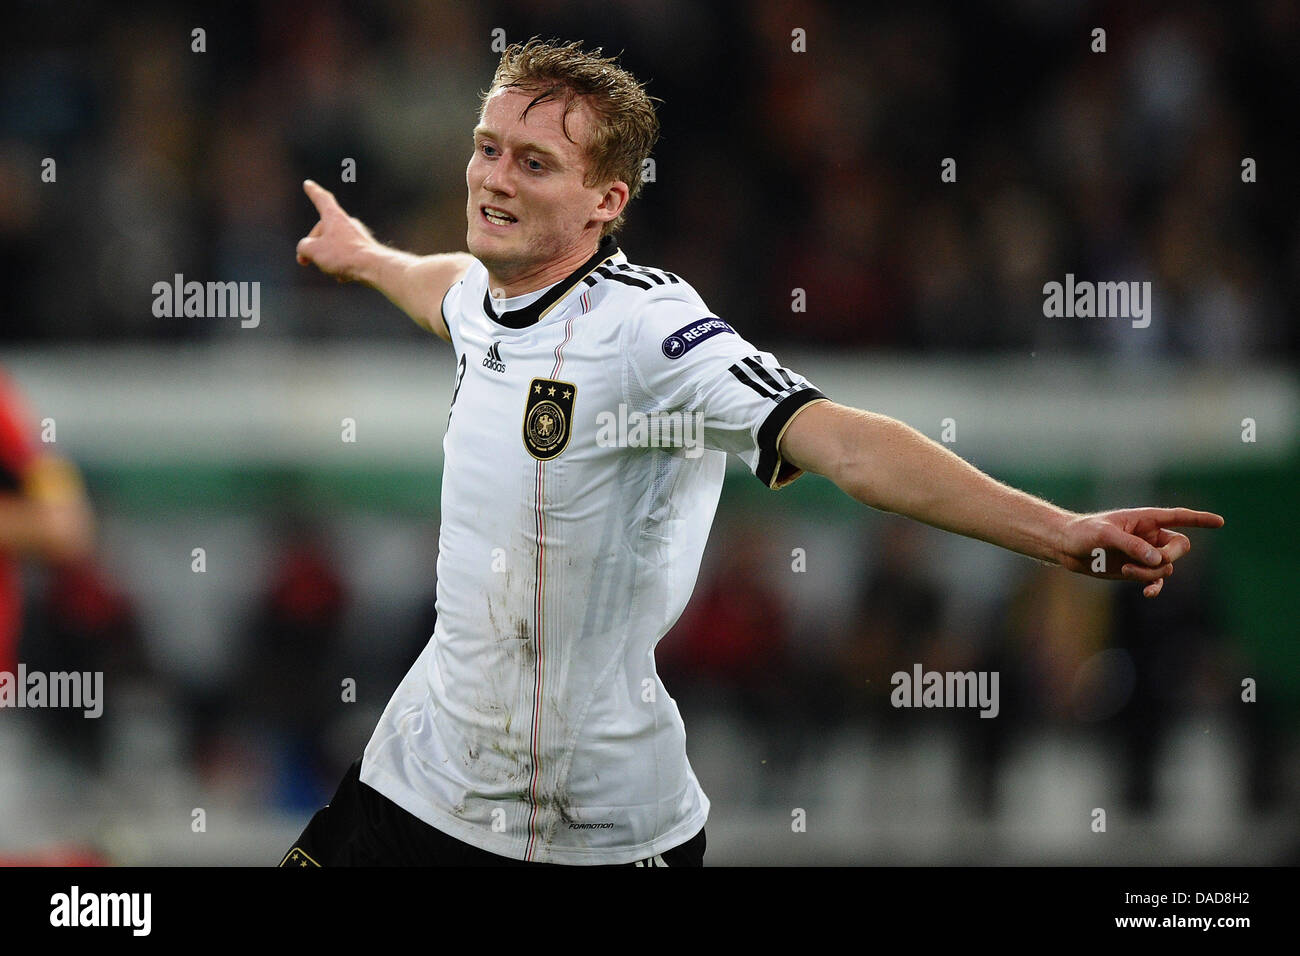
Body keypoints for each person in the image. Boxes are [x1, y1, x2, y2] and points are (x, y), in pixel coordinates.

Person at [285, 37, 1223, 867]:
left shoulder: (649, 329)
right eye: (488, 148)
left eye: (534, 163)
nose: (494, 178)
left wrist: (1058, 533)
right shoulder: (483, 294)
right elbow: (438, 285)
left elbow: (851, 445)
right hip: (418, 785)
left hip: (594, 829)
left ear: (608, 200)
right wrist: (361, 252)